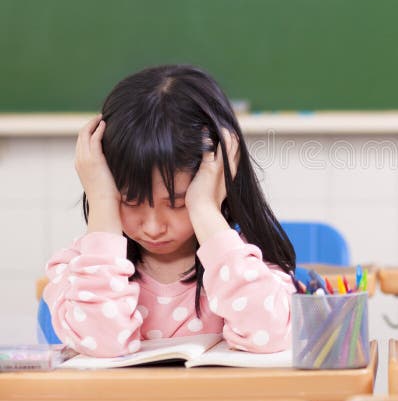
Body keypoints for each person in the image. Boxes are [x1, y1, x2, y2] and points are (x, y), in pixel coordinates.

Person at [43, 65, 296, 356]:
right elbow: (103, 344)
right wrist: (102, 201)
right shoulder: (82, 271)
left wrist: (203, 208)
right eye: (130, 201)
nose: (152, 226)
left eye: (177, 203)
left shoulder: (247, 266)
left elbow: (273, 335)